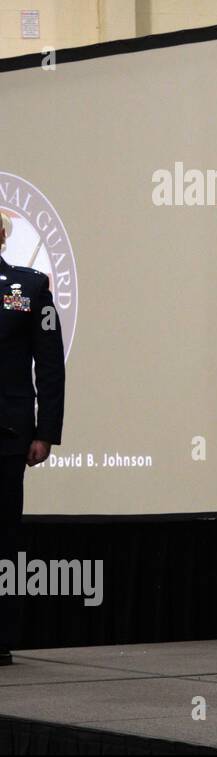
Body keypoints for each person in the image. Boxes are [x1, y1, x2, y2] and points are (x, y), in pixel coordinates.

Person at [0, 211, 65, 667]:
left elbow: (50, 363)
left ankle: (0, 636)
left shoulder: (30, 287)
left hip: (7, 433)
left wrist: (46, 431)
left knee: (3, 538)